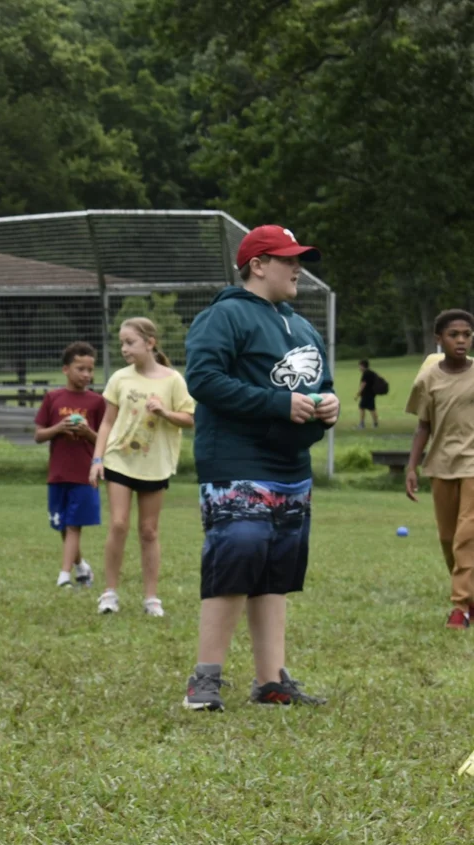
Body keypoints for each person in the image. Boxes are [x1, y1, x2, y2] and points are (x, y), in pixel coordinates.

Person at [181, 224, 335, 711]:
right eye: (288, 259)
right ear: (257, 265)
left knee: (275, 570)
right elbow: (203, 379)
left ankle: (271, 682)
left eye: (299, 259)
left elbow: (318, 383)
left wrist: (326, 406)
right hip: (236, 460)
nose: (298, 268)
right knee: (239, 555)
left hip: (291, 465)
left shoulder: (302, 325)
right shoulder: (223, 316)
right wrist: (277, 404)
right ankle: (204, 681)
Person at [88, 318, 195, 617]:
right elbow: (107, 422)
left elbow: (190, 418)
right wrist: (97, 460)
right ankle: (109, 593)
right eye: (121, 343)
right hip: (119, 459)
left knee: (148, 531)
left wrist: (164, 412)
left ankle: (151, 598)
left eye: (130, 342)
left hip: (155, 465)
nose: (124, 348)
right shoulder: (120, 379)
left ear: (150, 343)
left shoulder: (172, 380)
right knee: (118, 523)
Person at [405, 309, 474, 628]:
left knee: (466, 537)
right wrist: (411, 467)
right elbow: (423, 427)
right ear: (439, 339)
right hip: (441, 465)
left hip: (472, 465)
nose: (461, 340)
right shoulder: (428, 379)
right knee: (448, 538)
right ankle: (470, 598)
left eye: (467, 335)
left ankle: (460, 607)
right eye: (454, 335)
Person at [34, 341, 105, 588]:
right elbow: (38, 435)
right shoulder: (53, 398)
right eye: (80, 369)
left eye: (90, 369)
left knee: (74, 526)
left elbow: (104, 441)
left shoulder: (97, 402)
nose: (86, 375)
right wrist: (58, 428)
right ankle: (81, 566)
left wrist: (87, 433)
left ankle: (64, 577)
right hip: (58, 474)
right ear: (66, 370)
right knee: (62, 525)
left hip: (85, 475)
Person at [357, 359, 382, 429]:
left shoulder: (366, 374)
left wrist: (358, 393)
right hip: (372, 394)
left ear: (362, 366)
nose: (359, 368)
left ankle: (362, 424)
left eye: (359, 366)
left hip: (366, 394)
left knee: (362, 407)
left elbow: (363, 384)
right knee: (372, 409)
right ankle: (375, 423)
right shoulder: (371, 372)